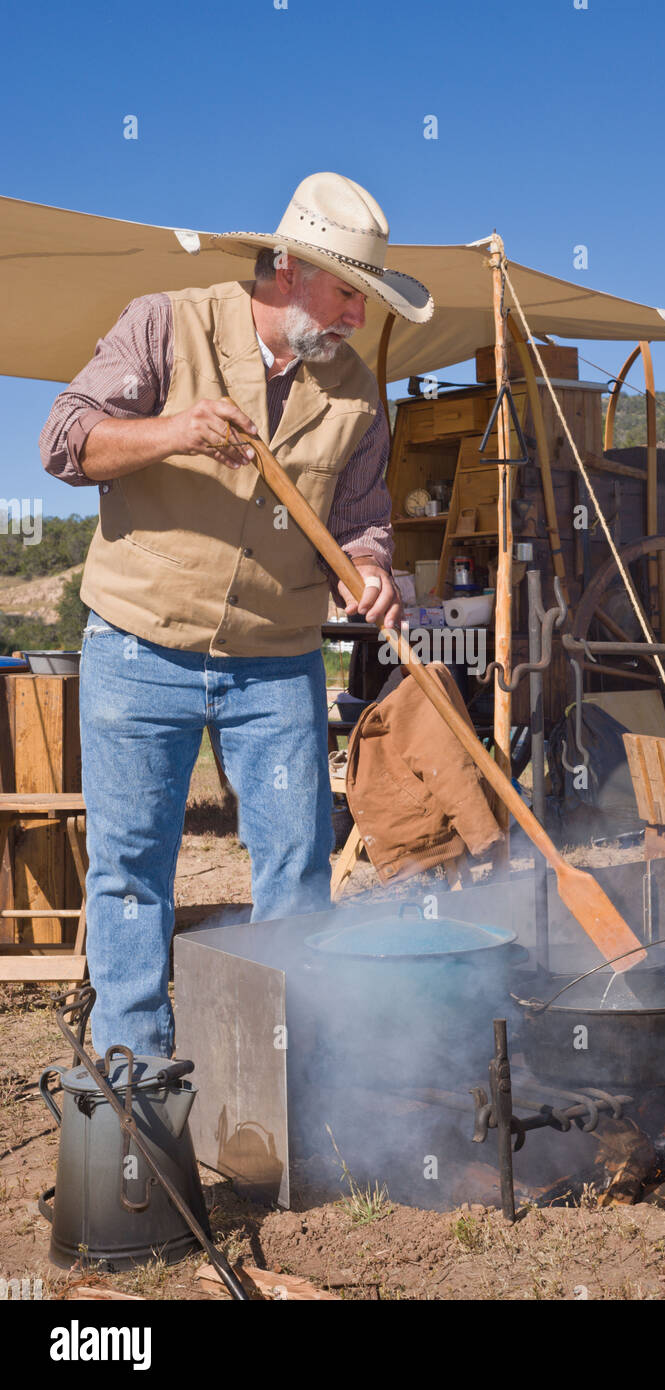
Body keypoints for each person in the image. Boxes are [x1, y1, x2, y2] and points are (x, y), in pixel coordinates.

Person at [39, 172, 434, 1057]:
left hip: (277, 658)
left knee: (296, 868)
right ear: (288, 268)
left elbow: (363, 521)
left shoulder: (357, 392)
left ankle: (284, 1066)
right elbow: (63, 440)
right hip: (139, 647)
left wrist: (369, 572)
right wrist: (171, 430)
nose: (357, 319)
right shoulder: (163, 322)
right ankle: (134, 1076)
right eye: (347, 294)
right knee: (133, 870)